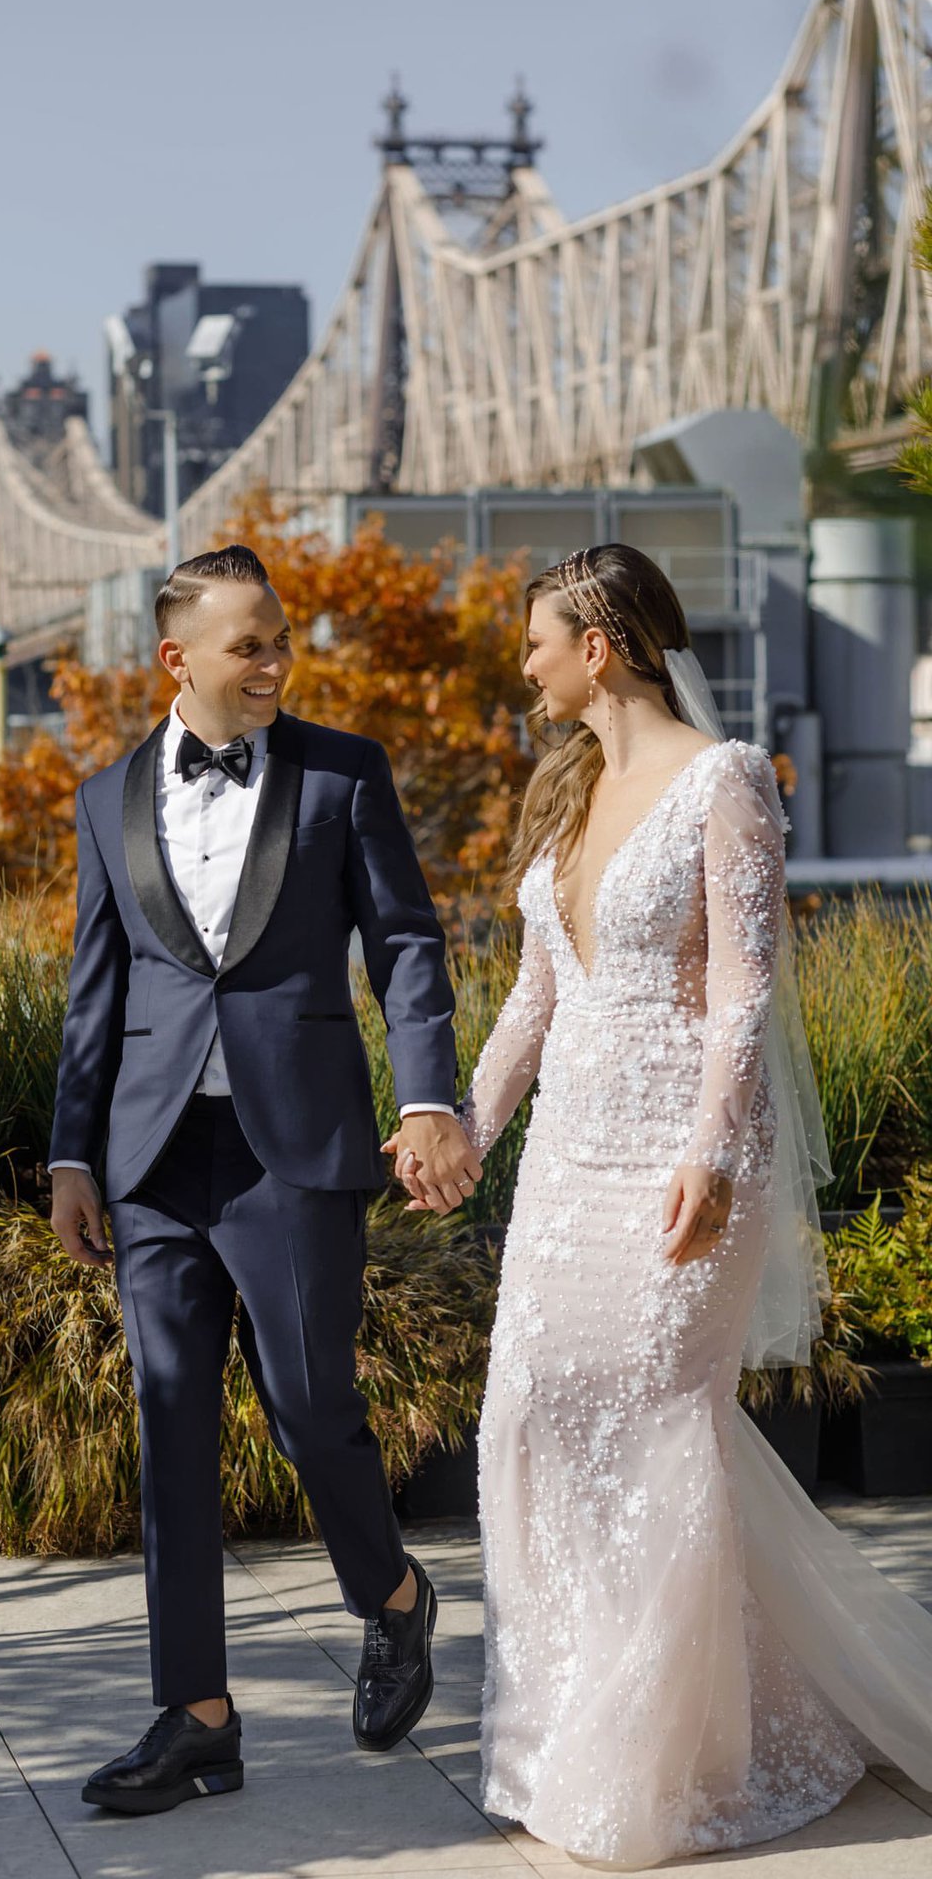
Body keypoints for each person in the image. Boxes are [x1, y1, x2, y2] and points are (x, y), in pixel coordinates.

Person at [390, 543, 932, 1870]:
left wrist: (716, 1153)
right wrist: (471, 1122)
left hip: (685, 1164)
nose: (519, 664)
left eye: (536, 640)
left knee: (653, 1428)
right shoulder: (566, 789)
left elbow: (748, 990)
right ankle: (561, 1728)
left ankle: (658, 1758)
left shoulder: (725, 781)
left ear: (604, 645)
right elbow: (537, 994)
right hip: (568, 1167)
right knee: (524, 1420)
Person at [48, 543, 482, 1816]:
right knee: (168, 1430)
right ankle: (196, 1719)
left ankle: (393, 1596)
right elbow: (94, 995)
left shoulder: (344, 772)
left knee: (307, 1406)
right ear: (176, 658)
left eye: (281, 639)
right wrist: (74, 1154)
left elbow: (404, 942)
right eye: (249, 644)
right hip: (149, 1159)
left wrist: (425, 1097)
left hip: (292, 1146)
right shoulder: (104, 797)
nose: (274, 662)